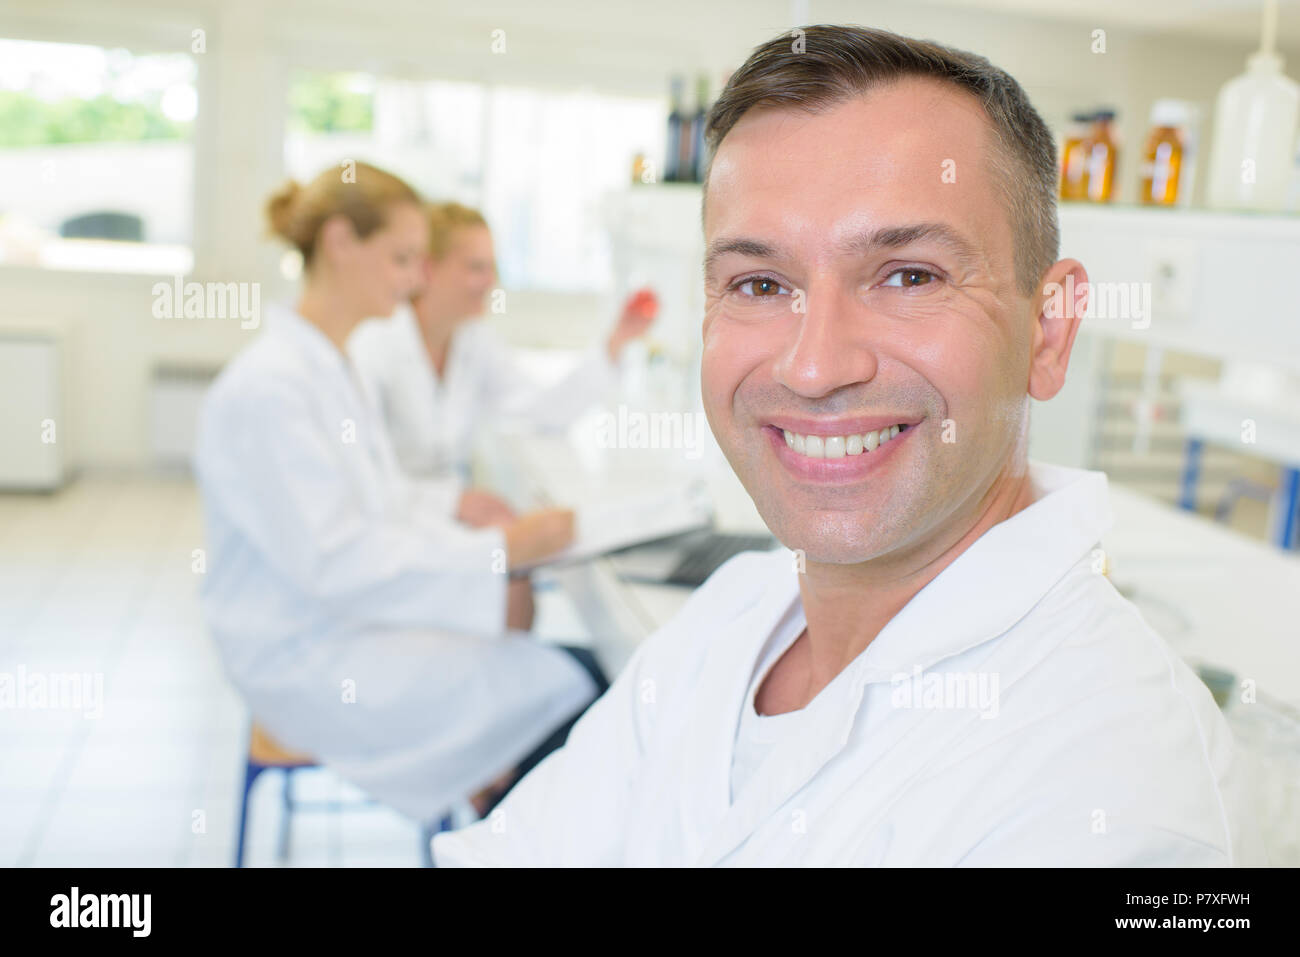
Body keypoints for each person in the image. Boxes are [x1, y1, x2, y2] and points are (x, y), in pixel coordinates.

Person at [433, 25, 1267, 866]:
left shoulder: (1120, 795)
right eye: (761, 284)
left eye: (909, 274)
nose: (815, 364)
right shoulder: (735, 615)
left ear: (1048, 329)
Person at [193, 162, 602, 825]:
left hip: (343, 622)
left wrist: (477, 525)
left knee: (561, 676)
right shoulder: (271, 389)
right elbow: (338, 562)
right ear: (339, 242)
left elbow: (380, 502)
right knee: (577, 691)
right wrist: (499, 551)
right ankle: (501, 813)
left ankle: (495, 803)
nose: (416, 279)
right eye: (402, 258)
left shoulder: (331, 364)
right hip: (305, 655)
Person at [347, 202, 658, 506]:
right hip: (393, 526)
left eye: (491, 267)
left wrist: (617, 341)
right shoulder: (375, 344)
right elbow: (365, 478)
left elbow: (546, 411)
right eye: (475, 268)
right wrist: (457, 503)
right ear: (429, 268)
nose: (490, 281)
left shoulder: (475, 341)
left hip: (449, 526)